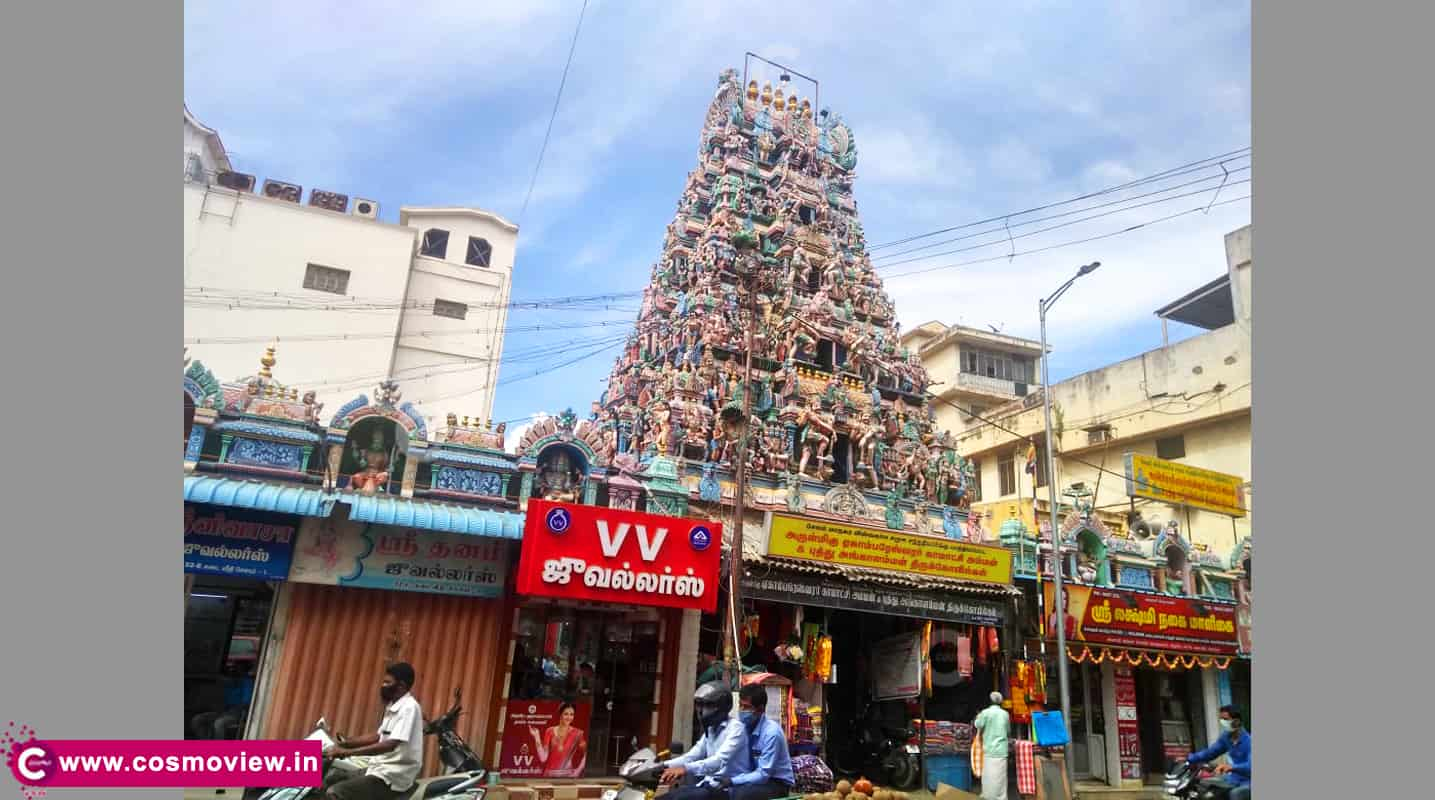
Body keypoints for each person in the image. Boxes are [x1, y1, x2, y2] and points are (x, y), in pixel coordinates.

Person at [321, 662, 425, 800]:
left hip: (393, 775)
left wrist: (347, 753)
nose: (383, 685)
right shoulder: (393, 706)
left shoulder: (409, 708)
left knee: (335, 792)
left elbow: (390, 744)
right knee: (331, 779)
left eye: (387, 682)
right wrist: (346, 743)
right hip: (379, 768)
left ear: (401, 686)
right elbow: (379, 736)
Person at [661, 681, 753, 800]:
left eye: (708, 705)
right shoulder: (711, 728)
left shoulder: (736, 728)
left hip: (727, 788)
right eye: (699, 705)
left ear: (722, 706)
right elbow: (692, 756)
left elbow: (718, 761)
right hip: (709, 785)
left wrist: (685, 768)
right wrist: (662, 765)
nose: (701, 710)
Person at [729, 684, 795, 800]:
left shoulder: (772, 733)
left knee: (740, 795)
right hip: (756, 778)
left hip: (776, 783)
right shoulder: (743, 728)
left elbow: (763, 774)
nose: (741, 711)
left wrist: (732, 780)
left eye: (746, 707)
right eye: (740, 706)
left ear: (760, 709)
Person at [1187, 705, 1251, 800]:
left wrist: (1231, 767)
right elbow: (1211, 752)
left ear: (1237, 721)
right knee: (1205, 786)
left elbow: (1250, 766)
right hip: (1233, 778)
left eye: (1225, 719)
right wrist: (1190, 758)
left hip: (1248, 781)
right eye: (1221, 719)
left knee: (1235, 795)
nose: (1222, 722)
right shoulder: (1226, 737)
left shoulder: (1249, 740)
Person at [530, 702, 587, 778]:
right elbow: (543, 758)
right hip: (549, 774)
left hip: (567, 775)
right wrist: (536, 737)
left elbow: (586, 753)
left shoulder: (578, 734)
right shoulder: (549, 731)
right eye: (566, 714)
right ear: (560, 714)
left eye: (571, 714)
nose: (569, 717)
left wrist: (577, 771)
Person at [972, 692, 1011, 800]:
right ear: (1000, 702)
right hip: (1001, 751)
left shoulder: (985, 713)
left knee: (989, 777)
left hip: (989, 750)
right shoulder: (1005, 714)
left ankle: (988, 796)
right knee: (1001, 778)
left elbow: (977, 724)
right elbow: (1008, 731)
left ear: (990, 701)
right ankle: (1001, 797)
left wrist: (978, 716)